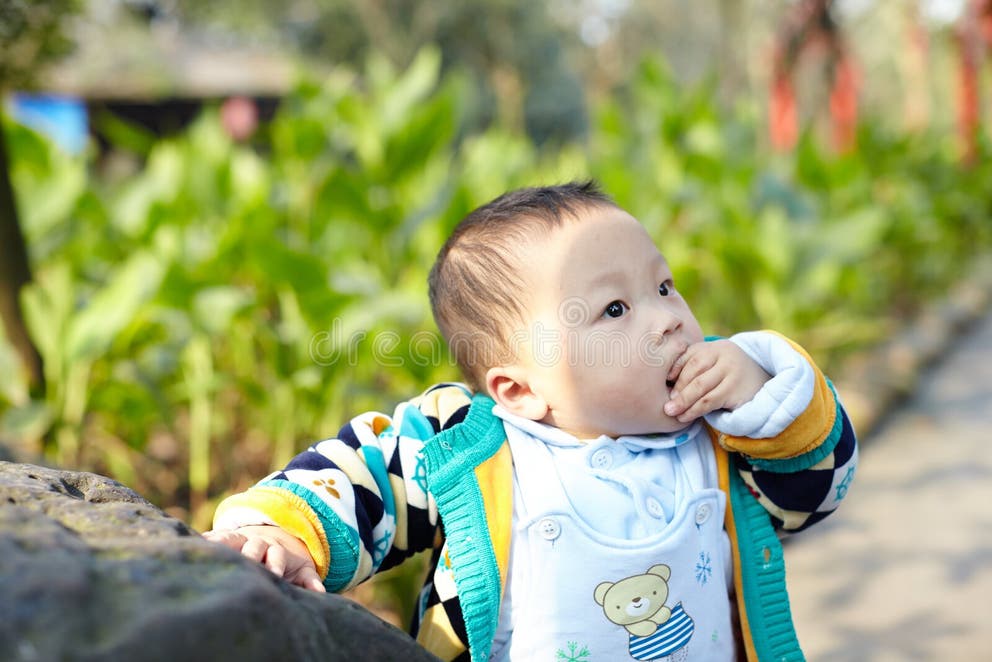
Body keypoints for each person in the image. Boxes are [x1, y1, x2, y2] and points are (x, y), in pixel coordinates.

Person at [205, 181, 858, 661]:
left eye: (664, 287)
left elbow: (817, 493)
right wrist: (283, 532)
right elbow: (363, 476)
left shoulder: (720, 430)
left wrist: (763, 396)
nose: (669, 319)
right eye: (614, 310)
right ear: (519, 389)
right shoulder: (469, 443)